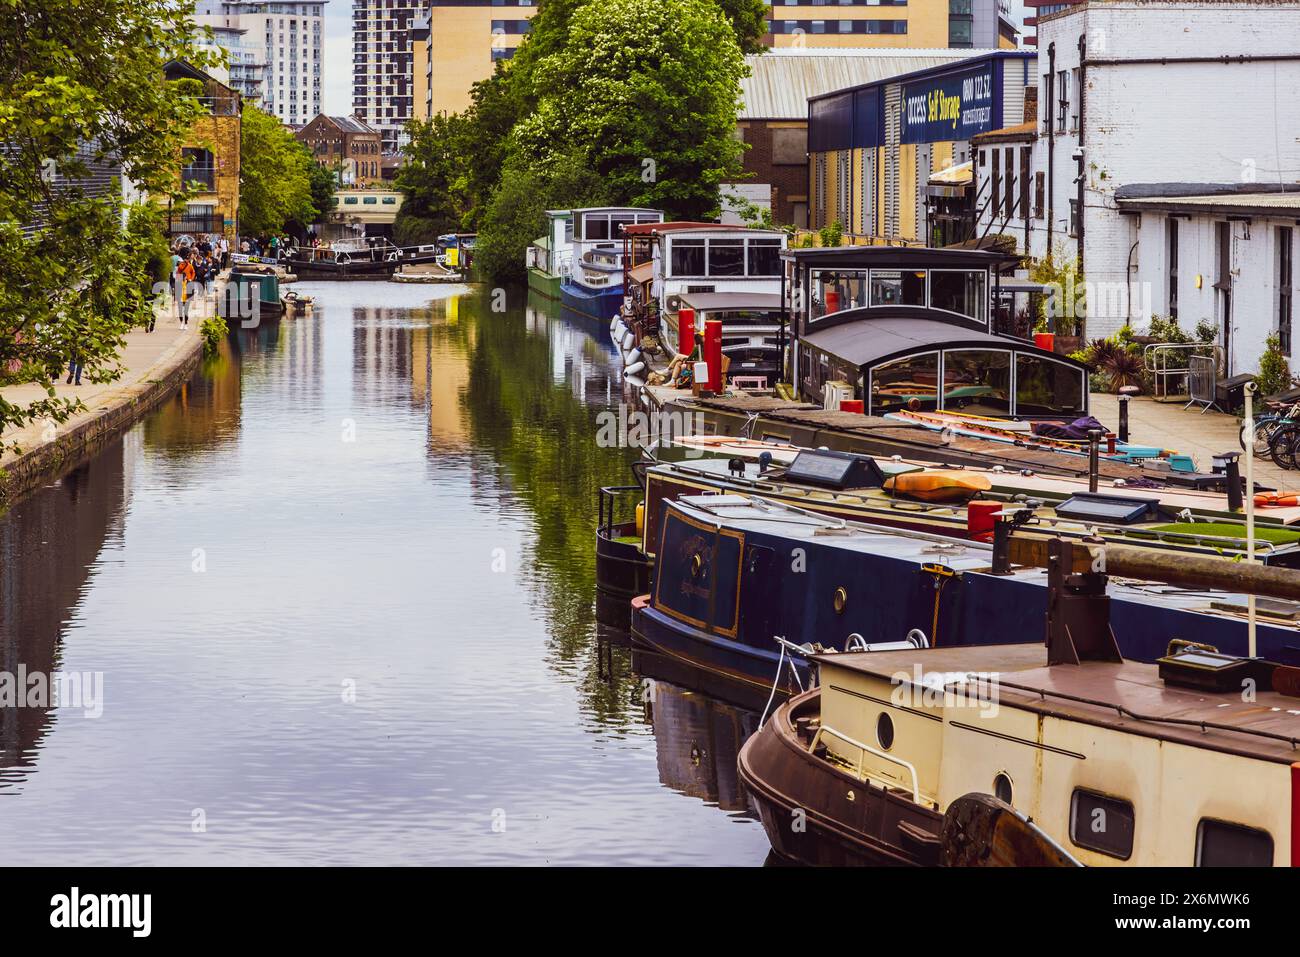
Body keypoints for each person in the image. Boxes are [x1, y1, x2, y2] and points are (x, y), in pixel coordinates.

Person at [174, 248, 196, 328]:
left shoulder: (189, 266)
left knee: (186, 308)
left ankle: (185, 323)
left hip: (187, 288)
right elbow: (178, 273)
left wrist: (190, 279)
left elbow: (193, 273)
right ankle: (181, 323)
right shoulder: (181, 265)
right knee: (180, 308)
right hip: (181, 289)